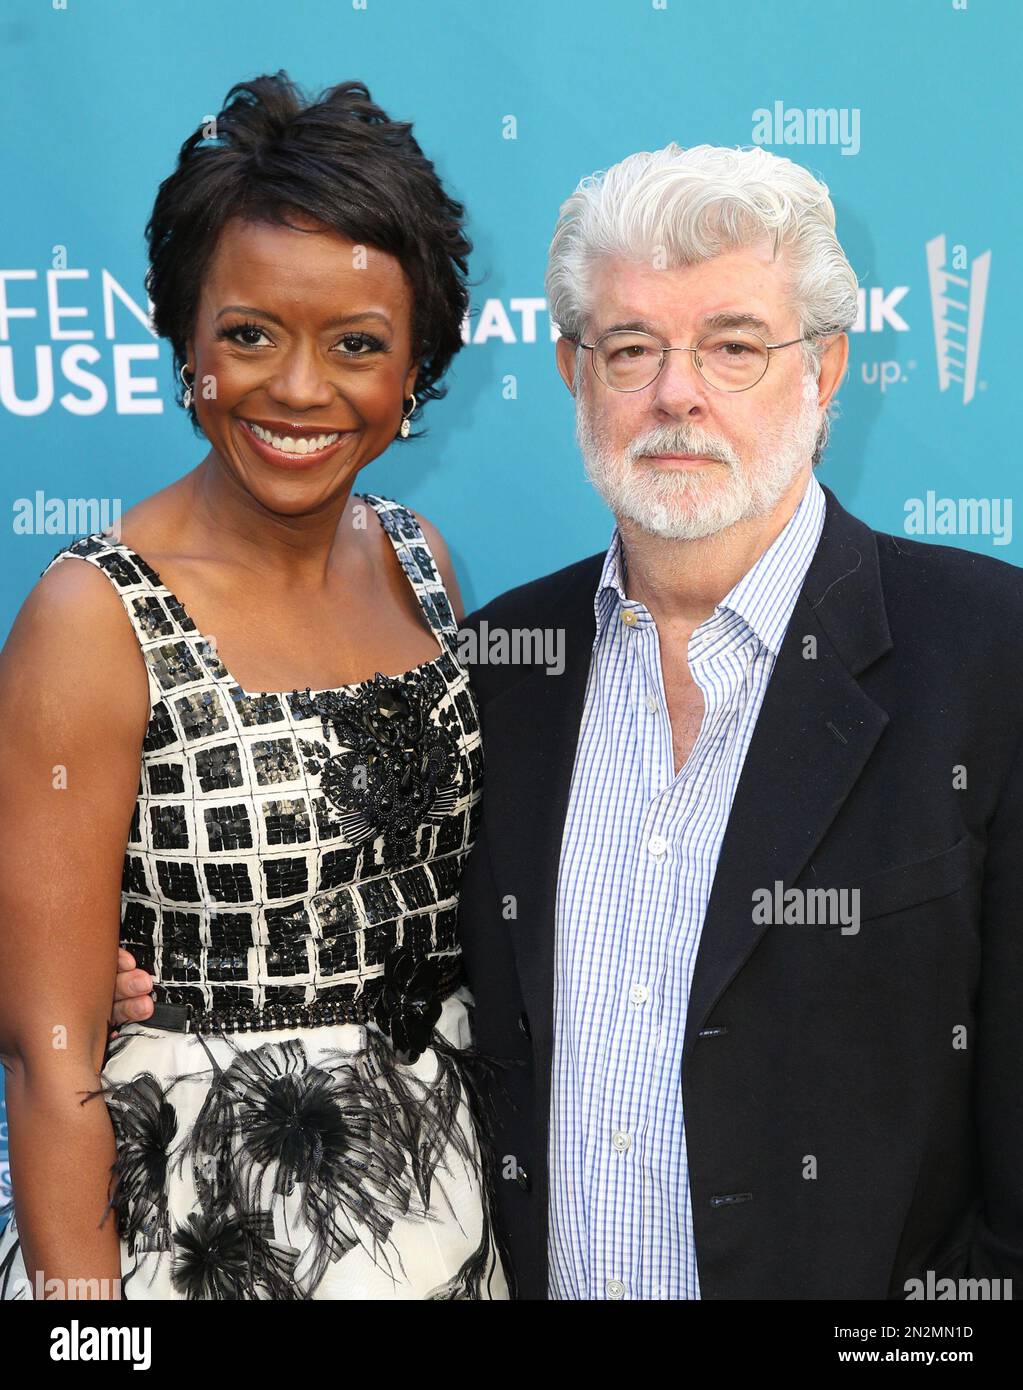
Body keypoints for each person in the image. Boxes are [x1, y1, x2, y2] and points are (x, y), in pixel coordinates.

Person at [110, 144, 1023, 1299]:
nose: (676, 393)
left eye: (734, 345)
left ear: (826, 366)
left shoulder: (989, 658)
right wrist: (117, 967)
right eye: (631, 348)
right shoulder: (490, 668)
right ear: (573, 370)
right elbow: (352, 925)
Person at [0, 72, 509, 1300]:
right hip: (191, 1238)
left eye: (355, 345)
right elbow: (49, 1048)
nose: (297, 388)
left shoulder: (419, 560)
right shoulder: (94, 617)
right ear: (187, 343)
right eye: (249, 334)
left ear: (416, 368)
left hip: (438, 1203)